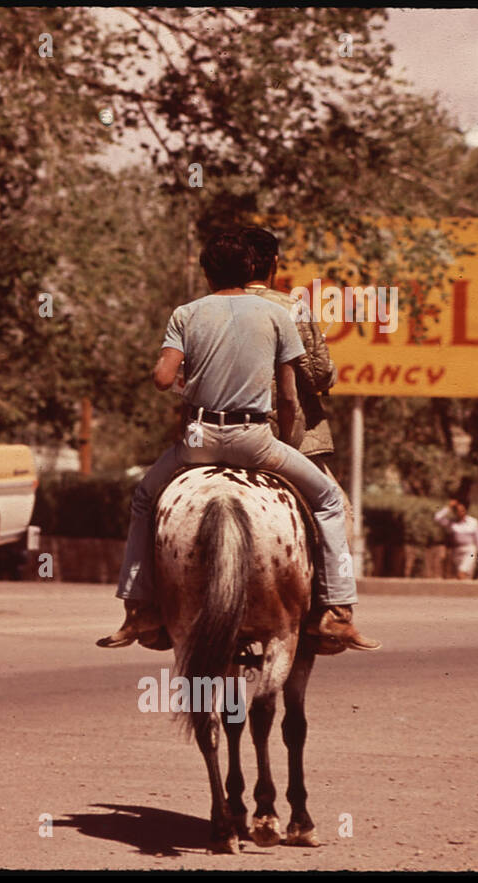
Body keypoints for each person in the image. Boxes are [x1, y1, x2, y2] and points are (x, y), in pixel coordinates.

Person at [98, 229, 380, 654]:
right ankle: (337, 610)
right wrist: (283, 440)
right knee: (327, 502)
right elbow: (288, 397)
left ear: (206, 273)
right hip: (254, 439)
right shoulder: (280, 314)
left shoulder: (186, 313)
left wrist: (186, 384)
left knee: (143, 499)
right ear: (252, 269)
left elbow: (161, 378)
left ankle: (139, 608)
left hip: (197, 440)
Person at [240, 227, 339, 475]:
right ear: (274, 262)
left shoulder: (209, 306)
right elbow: (318, 375)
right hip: (282, 435)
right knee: (334, 506)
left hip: (216, 432)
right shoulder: (292, 307)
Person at [434, 498, 478, 580]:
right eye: (458, 511)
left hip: (470, 551)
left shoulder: (473, 522)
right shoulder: (451, 523)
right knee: (463, 576)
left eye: (462, 510)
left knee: (462, 571)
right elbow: (437, 518)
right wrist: (448, 507)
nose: (460, 513)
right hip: (456, 551)